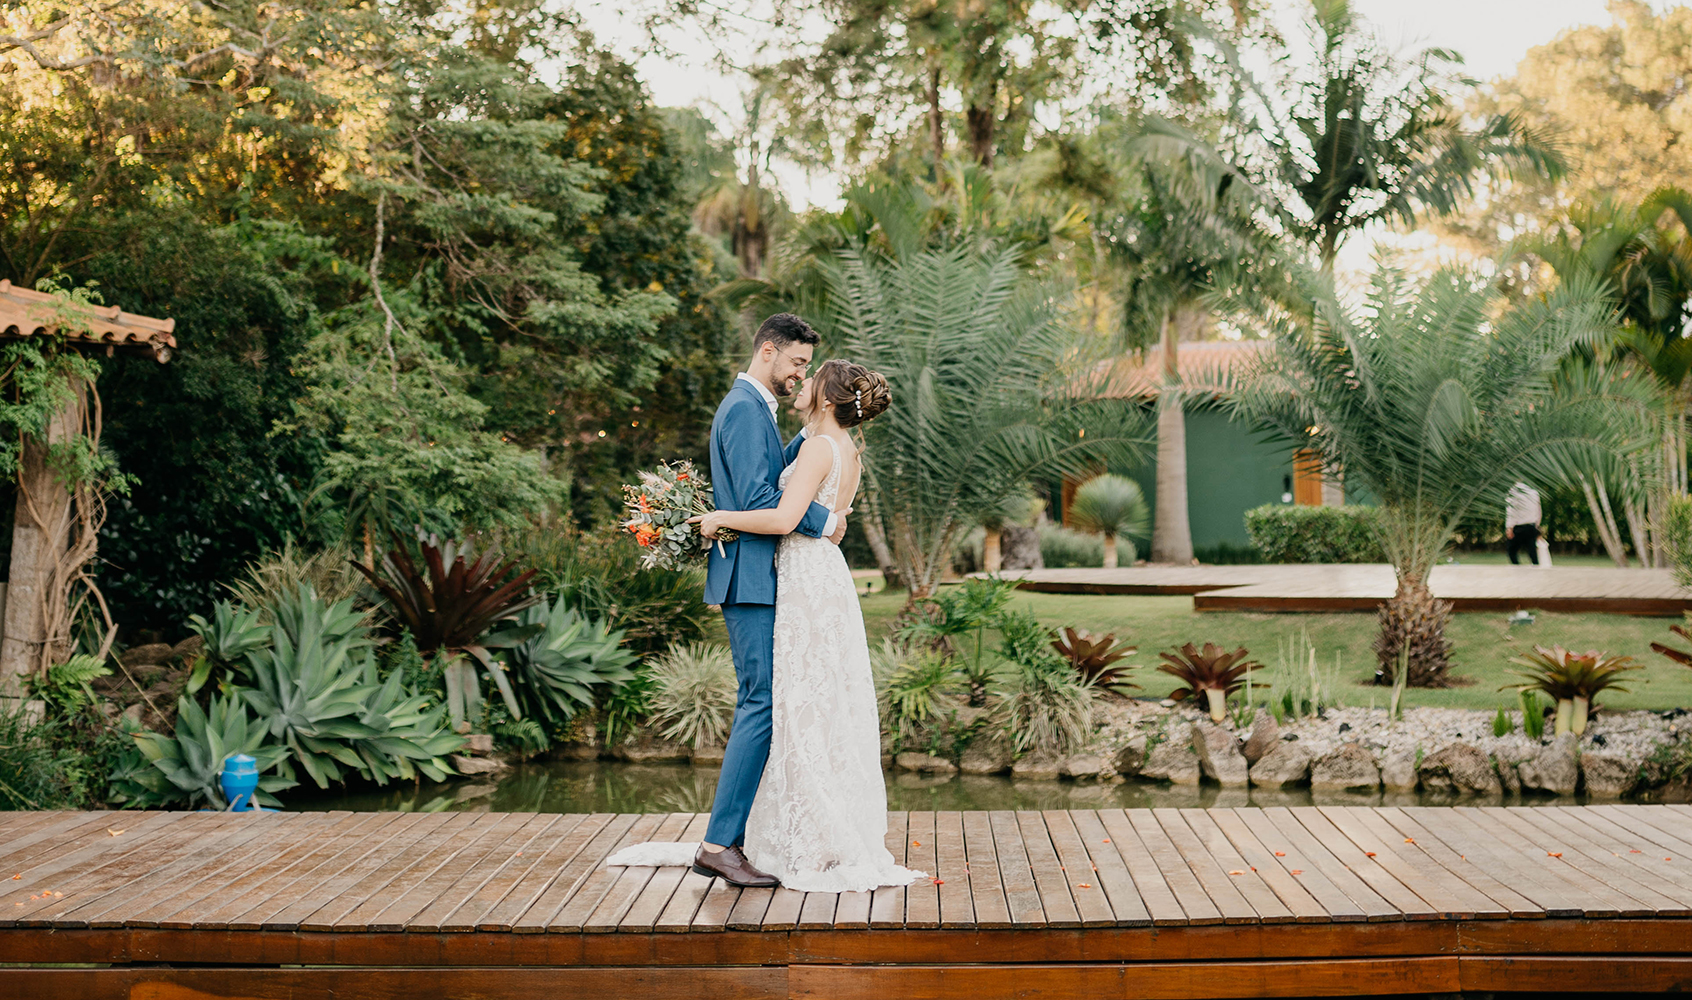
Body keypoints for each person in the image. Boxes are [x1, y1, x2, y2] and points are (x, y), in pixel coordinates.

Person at [605, 345, 926, 894]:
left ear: (826, 397)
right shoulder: (764, 416)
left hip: (796, 577)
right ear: (769, 351)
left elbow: (778, 506)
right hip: (794, 577)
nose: (802, 375)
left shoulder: (811, 439)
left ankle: (725, 843)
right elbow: (785, 496)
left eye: (810, 371)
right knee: (794, 701)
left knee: (780, 702)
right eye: (799, 362)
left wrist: (715, 518)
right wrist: (825, 521)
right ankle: (761, 837)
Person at [1505, 481, 1543, 565]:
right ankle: (1536, 569)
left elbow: (1511, 511)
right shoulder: (1534, 494)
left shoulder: (1513, 493)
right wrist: (1537, 525)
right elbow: (1538, 511)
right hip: (1531, 526)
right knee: (1532, 552)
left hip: (1519, 527)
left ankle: (1517, 568)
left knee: (1511, 551)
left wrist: (1509, 527)